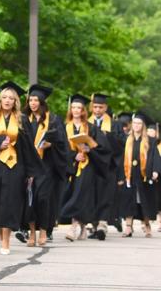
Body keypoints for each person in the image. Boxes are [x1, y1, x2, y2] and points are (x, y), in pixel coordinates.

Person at [0, 81, 42, 255]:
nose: (7, 101)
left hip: (16, 166)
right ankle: (0, 233)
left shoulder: (22, 119)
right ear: (0, 100)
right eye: (4, 97)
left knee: (9, 202)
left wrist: (30, 172)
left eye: (11, 98)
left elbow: (29, 147)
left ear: (15, 101)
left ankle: (6, 242)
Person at [21, 84, 68, 246]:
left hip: (46, 165)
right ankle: (32, 232)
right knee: (29, 200)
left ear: (42, 102)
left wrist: (51, 145)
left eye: (36, 100)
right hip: (28, 166)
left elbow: (63, 143)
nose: (33, 103)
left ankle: (43, 230)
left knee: (42, 198)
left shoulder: (53, 120)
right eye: (31, 100)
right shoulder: (23, 118)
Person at [61, 94, 112, 242]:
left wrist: (90, 150)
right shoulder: (65, 128)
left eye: (79, 108)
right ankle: (83, 227)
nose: (76, 110)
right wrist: (73, 156)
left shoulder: (91, 128)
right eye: (73, 108)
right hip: (71, 166)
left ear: (83, 110)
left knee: (80, 194)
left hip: (88, 166)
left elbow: (102, 148)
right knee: (76, 195)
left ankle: (73, 226)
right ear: (70, 110)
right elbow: (62, 149)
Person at [118, 112, 159, 238]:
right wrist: (120, 176)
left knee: (143, 201)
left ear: (143, 125)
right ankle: (128, 227)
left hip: (143, 174)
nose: (136, 125)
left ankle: (146, 225)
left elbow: (155, 157)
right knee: (129, 200)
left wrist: (155, 171)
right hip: (129, 174)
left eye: (139, 123)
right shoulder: (126, 139)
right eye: (134, 123)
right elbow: (121, 158)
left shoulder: (150, 141)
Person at [88, 93, 120, 241]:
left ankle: (102, 224)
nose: (97, 110)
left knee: (105, 195)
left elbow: (121, 145)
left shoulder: (114, 124)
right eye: (95, 107)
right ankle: (94, 225)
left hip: (108, 166)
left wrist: (108, 136)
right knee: (93, 195)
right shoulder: (86, 123)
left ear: (105, 108)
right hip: (92, 165)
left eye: (100, 107)